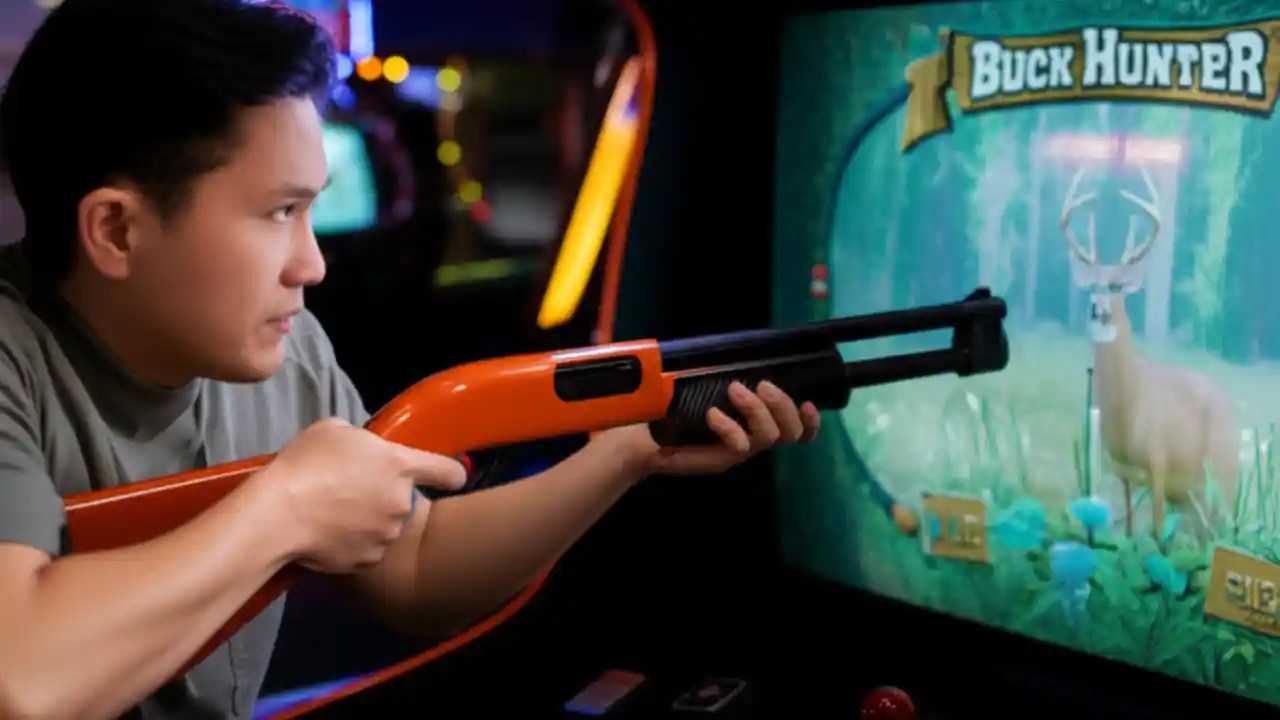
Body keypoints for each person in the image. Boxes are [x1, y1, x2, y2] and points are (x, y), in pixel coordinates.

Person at [0, 1, 821, 718]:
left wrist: (627, 453)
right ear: (116, 231)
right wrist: (283, 509)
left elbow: (418, 572)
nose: (312, 264)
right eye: (279, 212)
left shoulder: (280, 347)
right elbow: (21, 679)